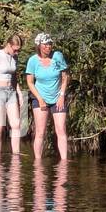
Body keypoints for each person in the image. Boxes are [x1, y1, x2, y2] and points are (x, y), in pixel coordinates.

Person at [25, 32, 69, 160]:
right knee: (40, 132)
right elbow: (30, 82)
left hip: (57, 97)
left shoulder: (57, 56)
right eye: (45, 44)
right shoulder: (33, 61)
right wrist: (40, 99)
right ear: (39, 46)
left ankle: (64, 162)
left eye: (50, 44)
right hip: (40, 97)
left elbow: (65, 77)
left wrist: (62, 95)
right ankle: (38, 162)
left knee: (61, 130)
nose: (48, 47)